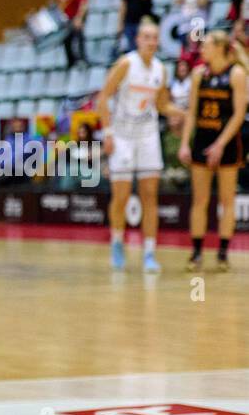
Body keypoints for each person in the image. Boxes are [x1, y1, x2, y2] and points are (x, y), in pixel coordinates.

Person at [97, 18, 184, 272]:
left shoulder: (160, 69)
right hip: (123, 137)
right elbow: (103, 98)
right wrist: (108, 133)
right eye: (146, 37)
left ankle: (149, 252)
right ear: (138, 40)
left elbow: (162, 105)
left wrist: (182, 113)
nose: (151, 42)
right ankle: (116, 242)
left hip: (147, 136)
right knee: (121, 196)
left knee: (149, 196)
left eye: (155, 37)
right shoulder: (126, 63)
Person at [178, 29, 245, 272]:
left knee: (227, 200)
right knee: (200, 200)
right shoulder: (199, 74)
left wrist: (220, 144)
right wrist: (185, 142)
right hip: (202, 140)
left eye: (206, 45)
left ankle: (223, 254)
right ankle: (196, 253)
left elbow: (239, 114)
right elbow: (192, 112)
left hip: (226, 143)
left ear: (219, 47)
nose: (202, 49)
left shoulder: (236, 74)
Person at [56, 0, 87, 68]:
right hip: (65, 20)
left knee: (79, 37)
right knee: (66, 40)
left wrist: (79, 18)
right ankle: (70, 62)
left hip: (75, 18)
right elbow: (60, 5)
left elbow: (83, 4)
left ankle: (82, 59)